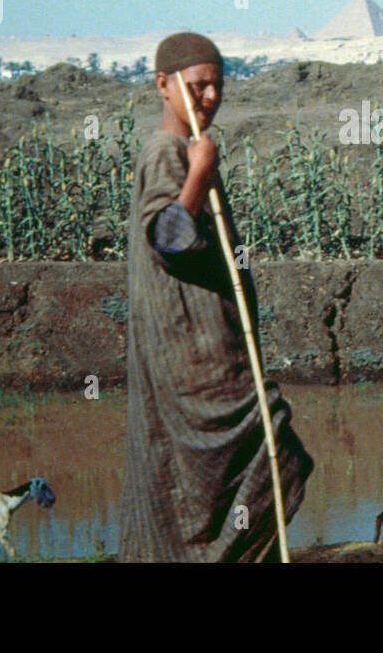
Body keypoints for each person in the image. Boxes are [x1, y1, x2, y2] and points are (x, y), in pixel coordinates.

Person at [118, 32, 312, 562]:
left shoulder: (185, 149)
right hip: (192, 355)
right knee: (276, 450)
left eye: (216, 86)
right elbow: (169, 239)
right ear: (163, 85)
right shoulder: (168, 152)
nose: (209, 97)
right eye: (197, 85)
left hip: (207, 343)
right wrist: (200, 174)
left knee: (216, 474)